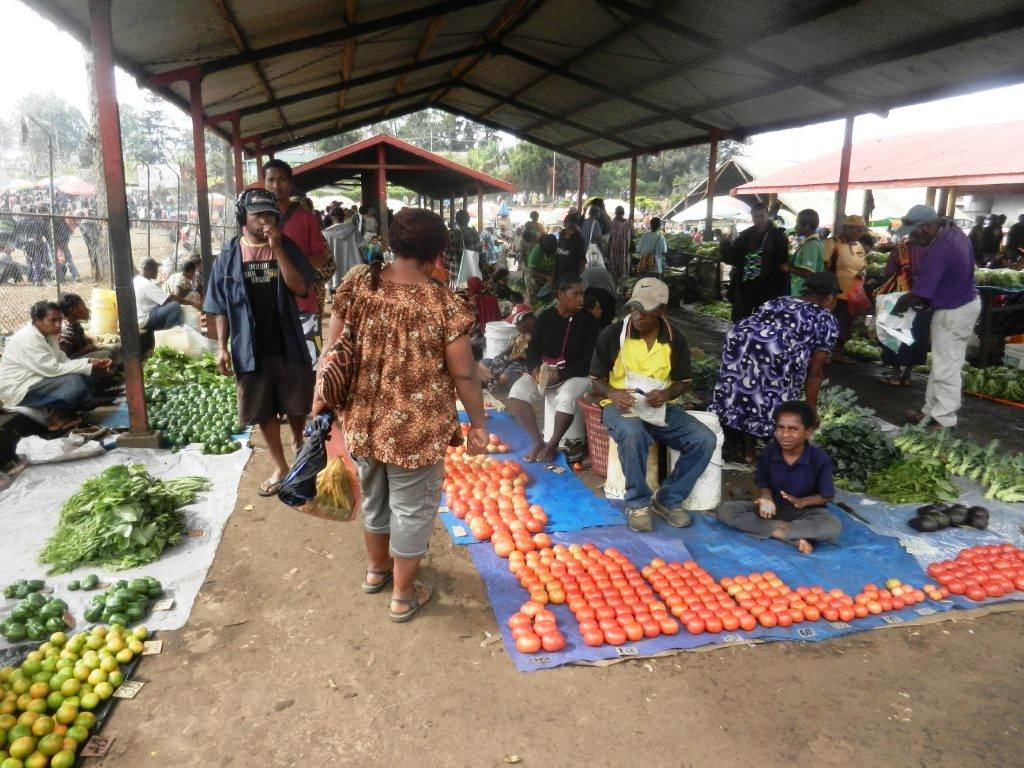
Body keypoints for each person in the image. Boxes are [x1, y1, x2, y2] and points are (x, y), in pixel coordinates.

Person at [316, 208, 487, 623]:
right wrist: (478, 424)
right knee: (411, 508)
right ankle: (402, 594)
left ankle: (377, 572)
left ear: (393, 243)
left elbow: (330, 350)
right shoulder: (444, 304)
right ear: (438, 253)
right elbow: (463, 372)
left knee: (375, 497)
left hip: (363, 421)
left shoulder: (359, 282)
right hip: (417, 429)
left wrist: (321, 406)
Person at [204, 187, 315, 496]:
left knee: (296, 400)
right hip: (248, 346)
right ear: (244, 217)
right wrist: (221, 348)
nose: (265, 220)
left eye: (270, 215)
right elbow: (219, 305)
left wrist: (278, 249)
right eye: (258, 215)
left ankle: (298, 446)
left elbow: (301, 288)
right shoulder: (229, 255)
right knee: (261, 408)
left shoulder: (286, 247)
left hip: (287, 340)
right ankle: (280, 465)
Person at [590, 278, 716, 532]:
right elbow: (595, 381)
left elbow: (684, 382)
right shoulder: (614, 334)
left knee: (704, 439)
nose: (638, 316)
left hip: (658, 407)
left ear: (661, 311)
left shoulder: (674, 339)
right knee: (633, 433)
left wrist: (667, 393)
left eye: (645, 312)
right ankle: (637, 502)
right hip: (621, 406)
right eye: (634, 309)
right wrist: (613, 393)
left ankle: (668, 499)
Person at [709, 272, 840, 463]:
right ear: (829, 296)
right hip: (777, 352)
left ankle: (746, 450)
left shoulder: (779, 300)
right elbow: (816, 371)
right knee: (774, 399)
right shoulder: (825, 318)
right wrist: (811, 410)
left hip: (739, 343)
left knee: (745, 393)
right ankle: (768, 457)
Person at [891, 205, 980, 430]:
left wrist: (899, 304)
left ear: (929, 227)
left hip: (954, 310)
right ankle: (930, 411)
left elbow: (921, 292)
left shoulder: (942, 248)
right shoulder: (951, 230)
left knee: (947, 366)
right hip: (959, 303)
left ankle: (944, 419)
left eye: (913, 231)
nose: (911, 236)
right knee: (942, 363)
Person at [717, 401, 840, 554]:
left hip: (807, 513)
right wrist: (767, 498)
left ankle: (778, 529)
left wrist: (803, 502)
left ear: (808, 432)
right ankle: (783, 533)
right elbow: (764, 483)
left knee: (832, 527)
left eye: (793, 429)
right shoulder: (769, 452)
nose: (785, 434)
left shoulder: (820, 459)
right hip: (773, 510)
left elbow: (827, 496)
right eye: (780, 427)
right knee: (726, 510)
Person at [507, 274, 599, 463]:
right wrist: (534, 368)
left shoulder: (588, 322)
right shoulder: (545, 318)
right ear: (560, 294)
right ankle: (538, 442)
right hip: (547, 372)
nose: (581, 298)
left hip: (577, 374)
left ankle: (553, 444)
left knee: (566, 396)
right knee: (517, 393)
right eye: (575, 294)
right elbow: (533, 350)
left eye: (583, 293)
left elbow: (590, 359)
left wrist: (562, 374)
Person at [0, 302, 112, 431]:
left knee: (86, 375)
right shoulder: (27, 339)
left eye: (60, 320)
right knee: (73, 382)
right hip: (19, 388)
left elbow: (62, 360)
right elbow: (52, 369)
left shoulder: (49, 335)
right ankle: (55, 421)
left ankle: (64, 413)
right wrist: (85, 365)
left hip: (38, 379)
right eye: (53, 320)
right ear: (37, 321)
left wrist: (90, 363)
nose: (58, 325)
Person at [264, 160, 335, 319]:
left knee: (306, 344)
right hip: (268, 303)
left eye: (281, 180)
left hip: (301, 304)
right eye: (271, 180)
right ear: (264, 184)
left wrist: (295, 269)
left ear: (290, 184)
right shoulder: (255, 219)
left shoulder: (307, 218)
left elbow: (320, 256)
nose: (276, 185)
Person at [876, 238, 930, 387]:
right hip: (923, 297)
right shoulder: (933, 247)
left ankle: (895, 374)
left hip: (901, 298)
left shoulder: (901, 248)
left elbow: (888, 271)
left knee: (897, 332)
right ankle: (907, 375)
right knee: (917, 334)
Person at [724, 202, 789, 320]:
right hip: (746, 285)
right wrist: (724, 245)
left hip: (768, 286)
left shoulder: (778, 236)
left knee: (765, 319)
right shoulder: (746, 235)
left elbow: (783, 262)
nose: (758, 220)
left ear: (767, 215)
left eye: (761, 216)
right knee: (741, 319)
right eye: (755, 216)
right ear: (752, 216)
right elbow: (732, 258)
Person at [822, 215, 868, 363]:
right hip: (835, 293)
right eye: (856, 229)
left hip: (853, 294)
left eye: (861, 230)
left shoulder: (858, 246)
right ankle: (824, 353)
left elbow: (862, 264)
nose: (859, 233)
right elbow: (823, 266)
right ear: (846, 228)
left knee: (846, 324)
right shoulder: (831, 243)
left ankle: (838, 352)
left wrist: (861, 273)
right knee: (831, 323)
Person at [479, 303, 533, 389]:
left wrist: (518, 356)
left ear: (529, 320)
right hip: (511, 361)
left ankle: (498, 386)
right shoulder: (521, 334)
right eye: (516, 324)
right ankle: (493, 382)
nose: (516, 326)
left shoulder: (537, 335)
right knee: (483, 363)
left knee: (504, 377)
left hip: (524, 365)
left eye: (518, 323)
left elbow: (539, 357)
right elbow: (510, 348)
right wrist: (502, 356)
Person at [57, 293, 121, 364]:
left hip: (82, 355)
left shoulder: (75, 324)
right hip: (72, 365)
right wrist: (85, 350)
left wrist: (87, 343)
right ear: (73, 310)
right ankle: (106, 373)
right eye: (83, 306)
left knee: (114, 348)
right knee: (105, 354)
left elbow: (85, 343)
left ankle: (116, 369)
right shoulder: (65, 331)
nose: (87, 309)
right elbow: (63, 361)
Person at [134, 258, 183, 331]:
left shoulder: (136, 280)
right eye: (155, 269)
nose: (157, 272)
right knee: (175, 306)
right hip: (145, 319)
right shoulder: (147, 284)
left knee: (166, 305)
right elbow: (171, 298)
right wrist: (192, 303)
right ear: (148, 269)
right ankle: (168, 334)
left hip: (139, 318)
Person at [323, 207, 363, 291]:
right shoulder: (353, 230)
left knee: (336, 297)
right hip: (353, 269)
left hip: (335, 272)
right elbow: (361, 247)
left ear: (332, 217)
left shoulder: (325, 234)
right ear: (344, 216)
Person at [788, 209, 824, 298]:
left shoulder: (811, 244)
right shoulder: (811, 241)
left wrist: (788, 268)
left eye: (797, 224)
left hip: (802, 292)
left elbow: (808, 273)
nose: (795, 227)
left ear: (807, 225)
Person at [582, 252, 617, 329]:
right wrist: (613, 312)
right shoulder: (606, 274)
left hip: (589, 296)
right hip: (606, 297)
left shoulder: (585, 273)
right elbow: (613, 293)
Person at [553, 214, 586, 285]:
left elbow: (582, 262)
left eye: (573, 229)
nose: (571, 231)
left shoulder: (579, 240)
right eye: (569, 228)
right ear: (565, 224)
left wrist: (579, 280)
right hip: (559, 275)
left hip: (572, 278)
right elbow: (557, 257)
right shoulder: (561, 235)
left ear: (576, 226)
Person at [526, 233, 557, 304]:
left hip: (548, 274)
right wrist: (546, 276)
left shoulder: (555, 250)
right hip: (534, 274)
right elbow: (531, 270)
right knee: (533, 295)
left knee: (548, 296)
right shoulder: (536, 251)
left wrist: (552, 275)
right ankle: (532, 308)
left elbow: (555, 266)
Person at [608, 205, 632, 284]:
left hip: (624, 251)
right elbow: (610, 238)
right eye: (618, 213)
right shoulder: (612, 223)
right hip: (615, 251)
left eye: (620, 213)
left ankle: (621, 289)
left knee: (622, 271)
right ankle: (616, 288)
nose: (618, 215)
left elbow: (633, 235)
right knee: (614, 272)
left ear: (623, 213)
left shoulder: (628, 223)